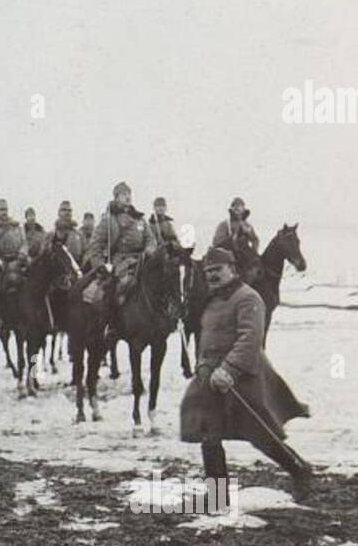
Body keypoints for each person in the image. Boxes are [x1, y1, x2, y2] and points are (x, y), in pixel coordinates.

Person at [180, 247, 313, 501]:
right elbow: (206, 337)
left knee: (259, 432)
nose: (212, 276)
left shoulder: (248, 298)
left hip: (243, 377)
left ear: (232, 269)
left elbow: (250, 339)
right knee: (208, 431)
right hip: (211, 377)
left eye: (217, 270)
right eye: (208, 272)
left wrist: (228, 369)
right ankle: (217, 496)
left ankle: (299, 470)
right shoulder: (212, 300)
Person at [87, 181, 156, 300]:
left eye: (129, 194)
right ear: (116, 198)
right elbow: (96, 244)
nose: (128, 197)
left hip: (140, 261)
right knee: (121, 287)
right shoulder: (109, 220)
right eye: (123, 194)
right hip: (118, 263)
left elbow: (151, 240)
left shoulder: (140, 220)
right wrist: (99, 265)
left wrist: (149, 250)